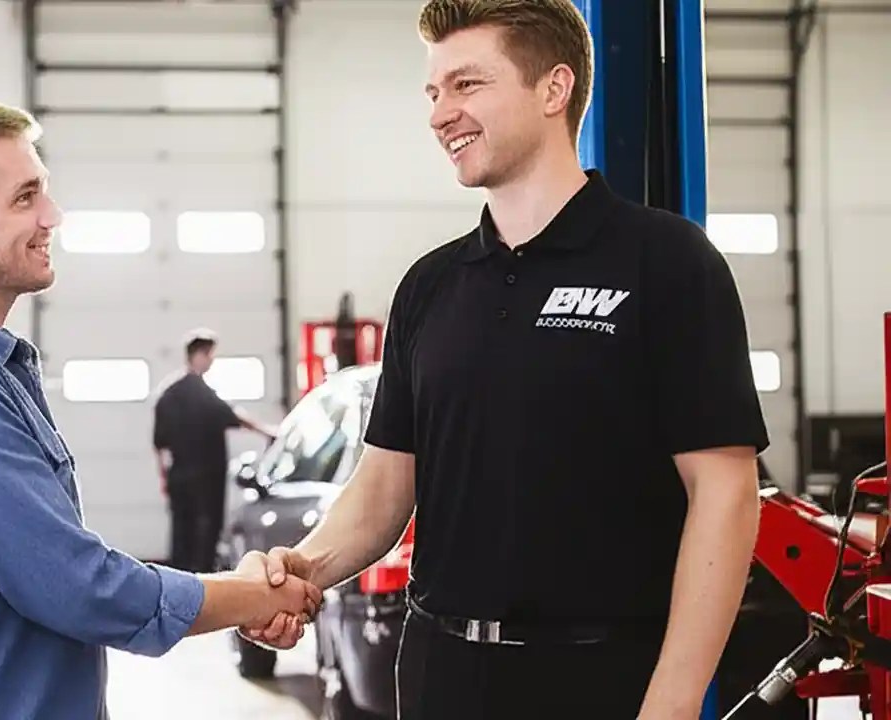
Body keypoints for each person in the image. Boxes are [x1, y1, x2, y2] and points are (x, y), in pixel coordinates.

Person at [240, 1, 769, 718]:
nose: (439, 114)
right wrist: (305, 568)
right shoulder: (430, 287)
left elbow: (726, 496)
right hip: (439, 674)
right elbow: (385, 488)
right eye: (433, 92)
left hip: (602, 679)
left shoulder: (668, 263)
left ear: (553, 90)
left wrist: (672, 707)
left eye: (466, 84)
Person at [0, 99, 319, 720]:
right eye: (25, 198)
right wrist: (249, 596)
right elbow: (74, 587)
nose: (52, 216)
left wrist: (245, 594)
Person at [152, 329, 276, 573]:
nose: (211, 361)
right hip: (206, 480)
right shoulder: (202, 393)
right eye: (209, 355)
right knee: (205, 537)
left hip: (180, 478)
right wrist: (267, 432)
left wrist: (164, 478)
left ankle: (179, 583)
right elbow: (234, 417)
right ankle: (202, 588)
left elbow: (159, 445)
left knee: (182, 535)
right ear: (198, 355)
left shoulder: (168, 393)